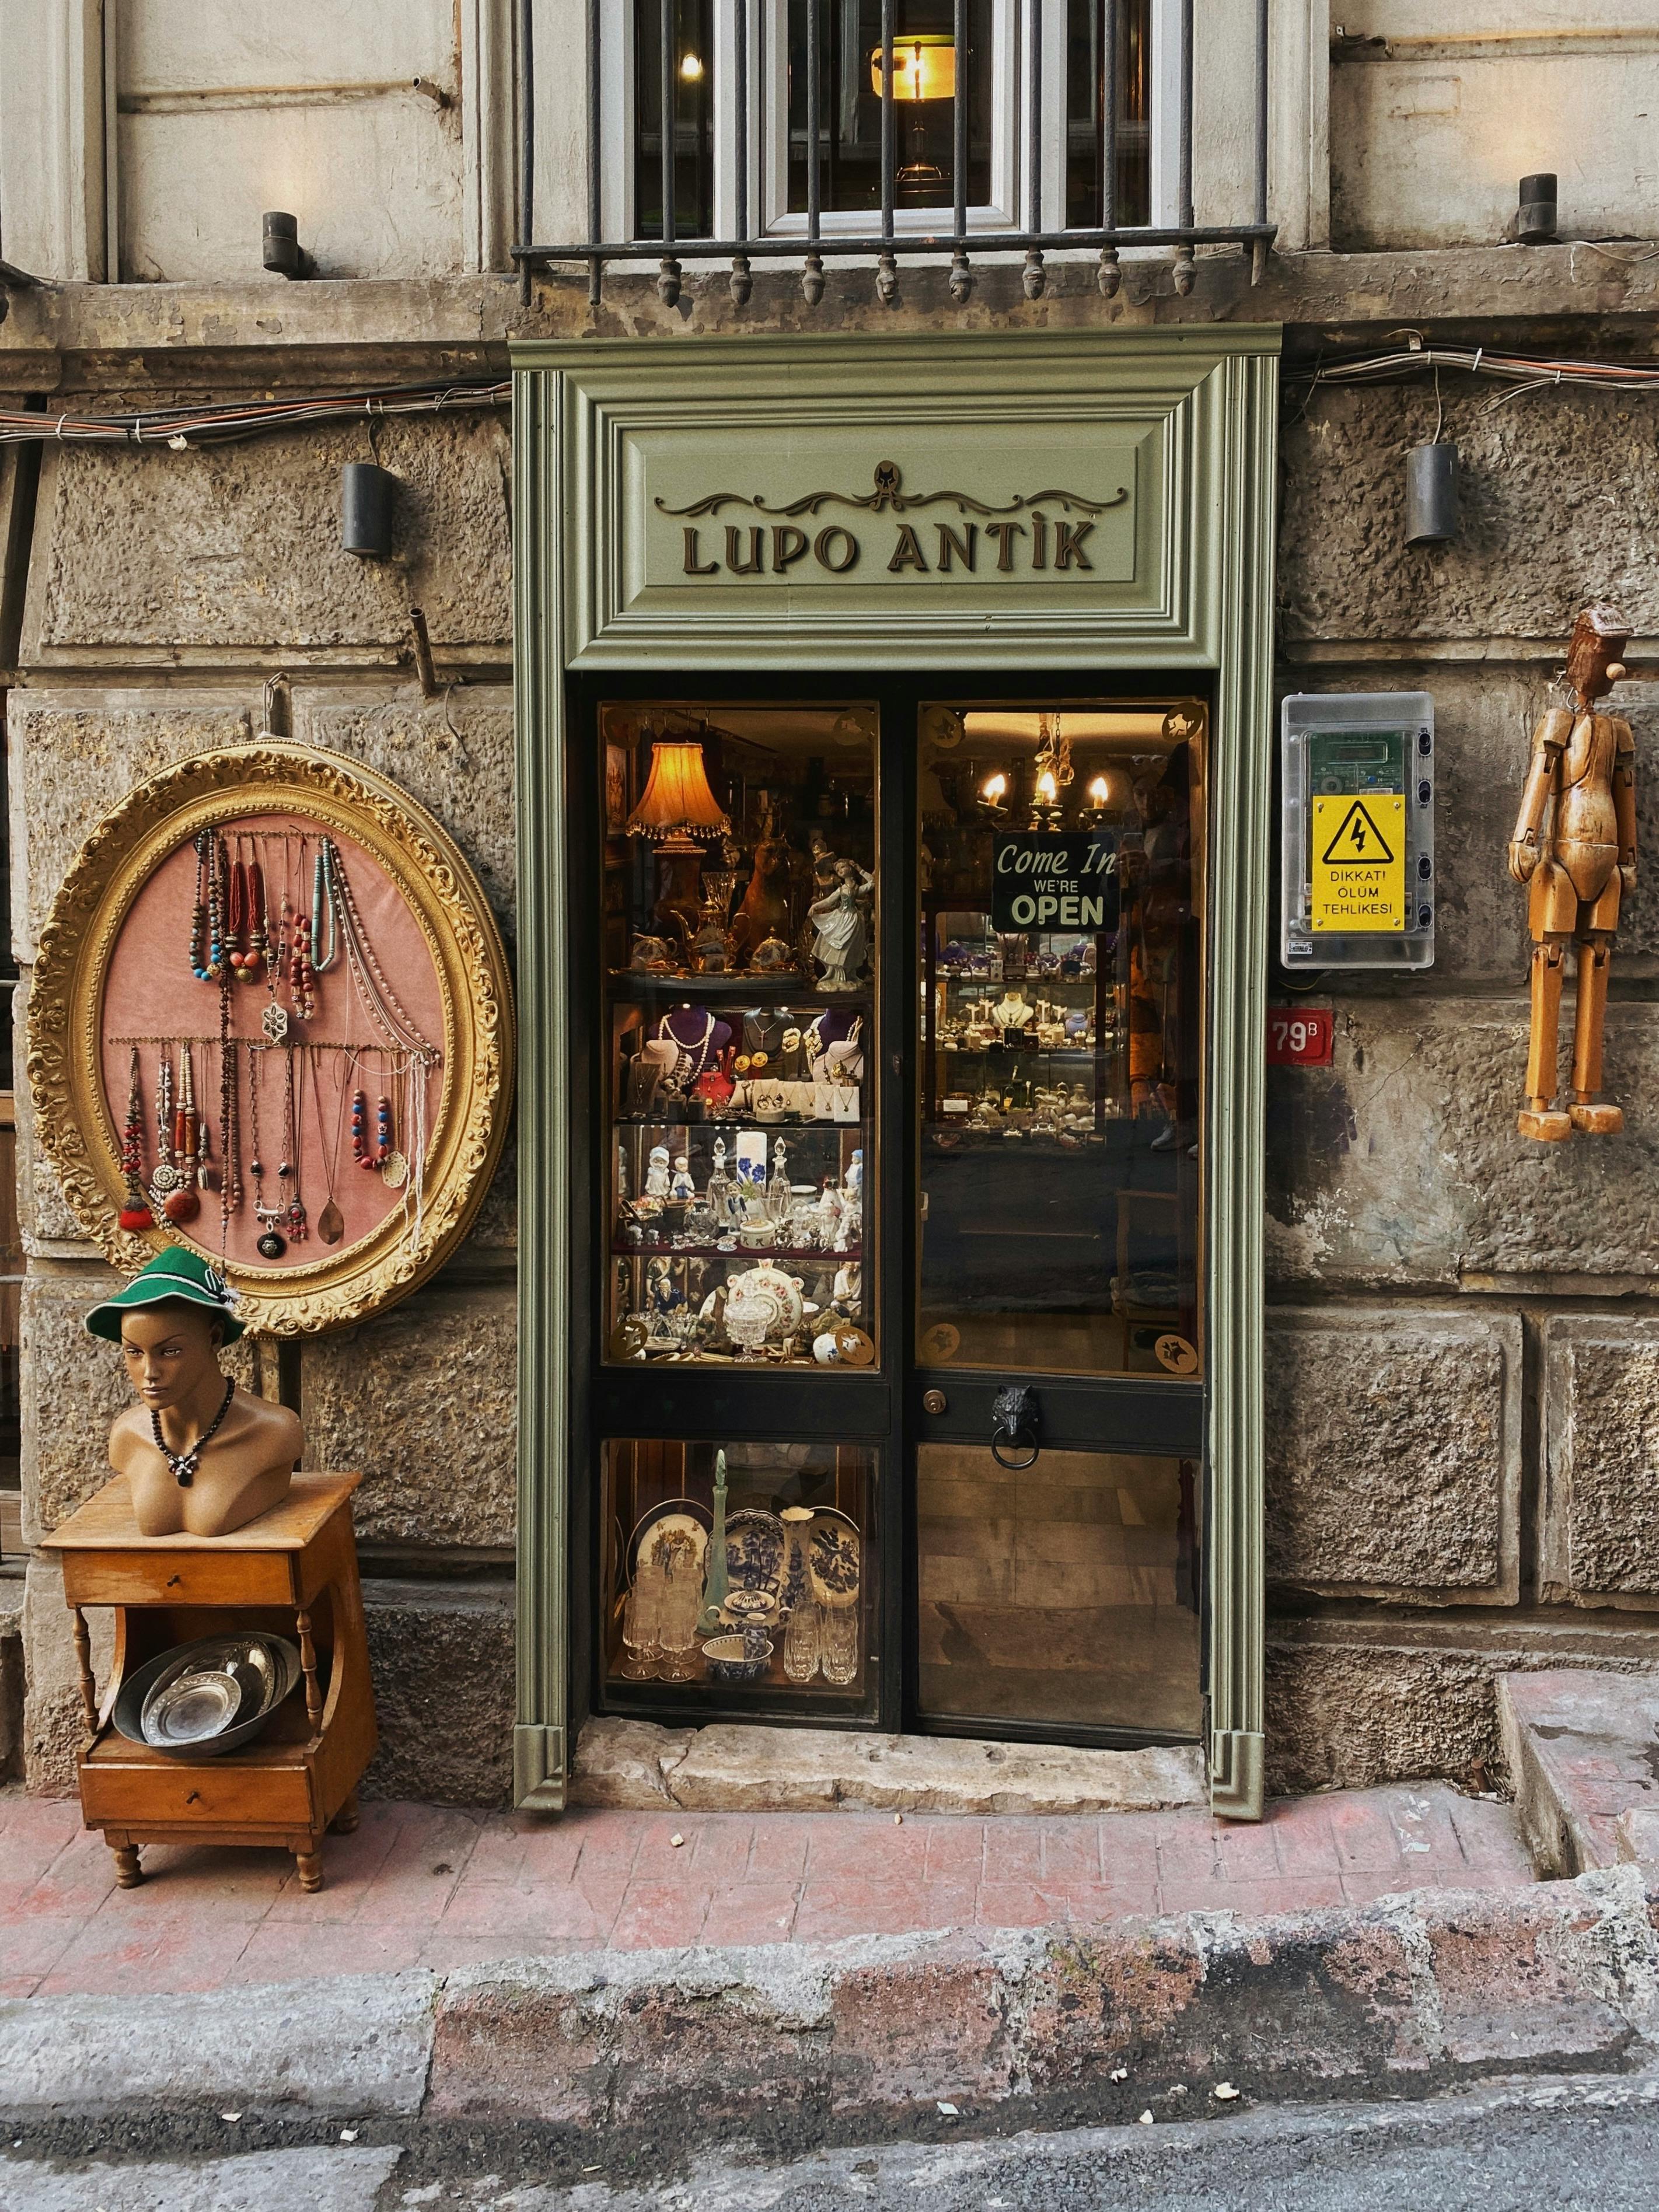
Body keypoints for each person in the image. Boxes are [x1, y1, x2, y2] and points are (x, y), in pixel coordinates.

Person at [87, 1248, 302, 1537]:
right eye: (134, 1352)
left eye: (170, 1351)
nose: (150, 1371)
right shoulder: (127, 1435)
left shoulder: (276, 1433)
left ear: (214, 1339)